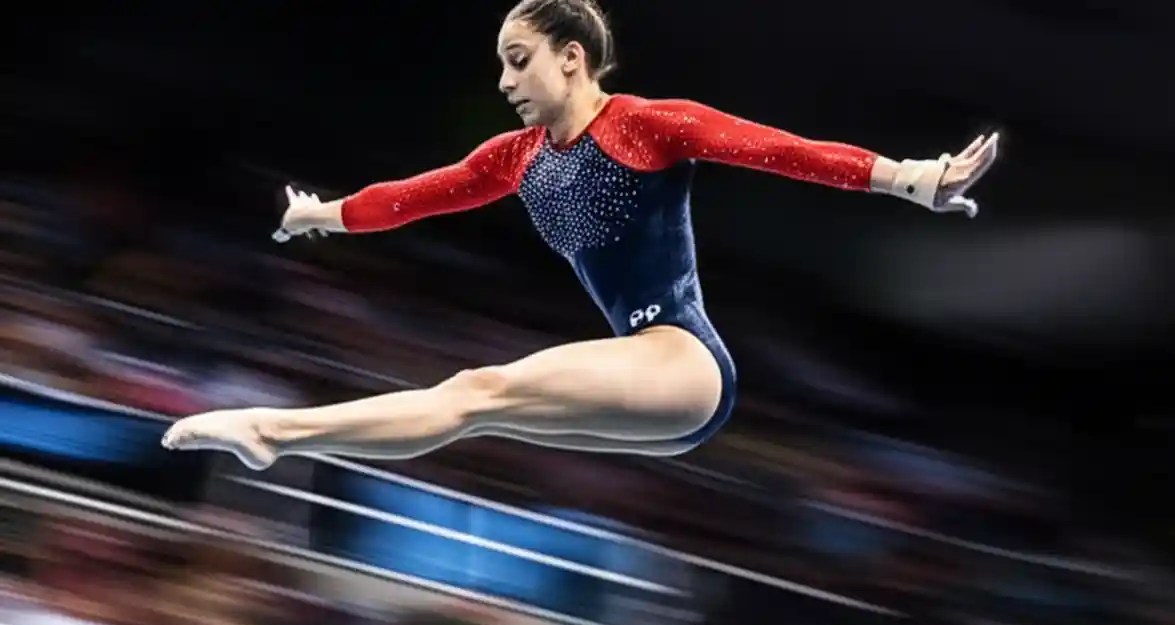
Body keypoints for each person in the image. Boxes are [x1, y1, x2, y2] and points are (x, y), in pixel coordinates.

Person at [162, 0, 999, 470]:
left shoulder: (646, 126)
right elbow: (411, 199)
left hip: (683, 361)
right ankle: (275, 436)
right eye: (499, 63)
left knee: (476, 390)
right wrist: (321, 215)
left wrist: (911, 177)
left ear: (571, 57)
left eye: (517, 59)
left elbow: (777, 149)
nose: (503, 80)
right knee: (467, 412)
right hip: (661, 403)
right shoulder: (517, 156)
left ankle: (272, 431)